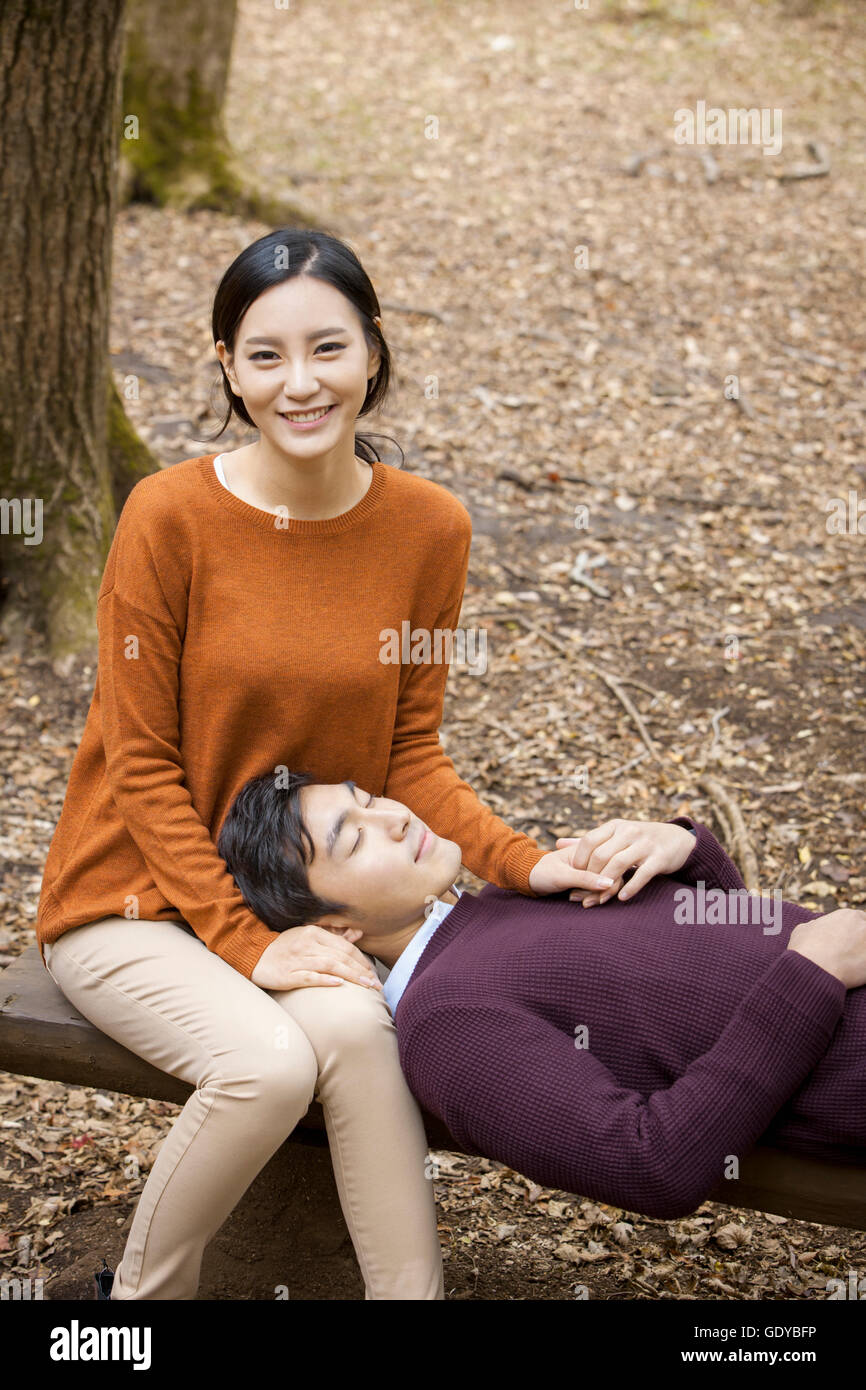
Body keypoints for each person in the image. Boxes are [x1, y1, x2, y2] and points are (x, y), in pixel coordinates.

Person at [35, 228, 609, 1300]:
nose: (300, 383)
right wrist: (249, 946)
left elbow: (406, 753)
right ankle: (131, 1314)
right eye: (264, 356)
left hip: (293, 907)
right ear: (226, 366)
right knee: (266, 1063)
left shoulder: (430, 528)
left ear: (373, 353)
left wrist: (524, 864)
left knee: (353, 1026)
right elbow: (141, 762)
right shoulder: (166, 518)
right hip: (131, 899)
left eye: (327, 348)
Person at [217, 770, 866, 1222]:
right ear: (337, 928)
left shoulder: (509, 894)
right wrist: (812, 973)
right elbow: (653, 1165)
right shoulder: (446, 1025)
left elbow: (707, 971)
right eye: (354, 838)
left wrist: (685, 852)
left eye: (368, 797)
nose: (392, 816)